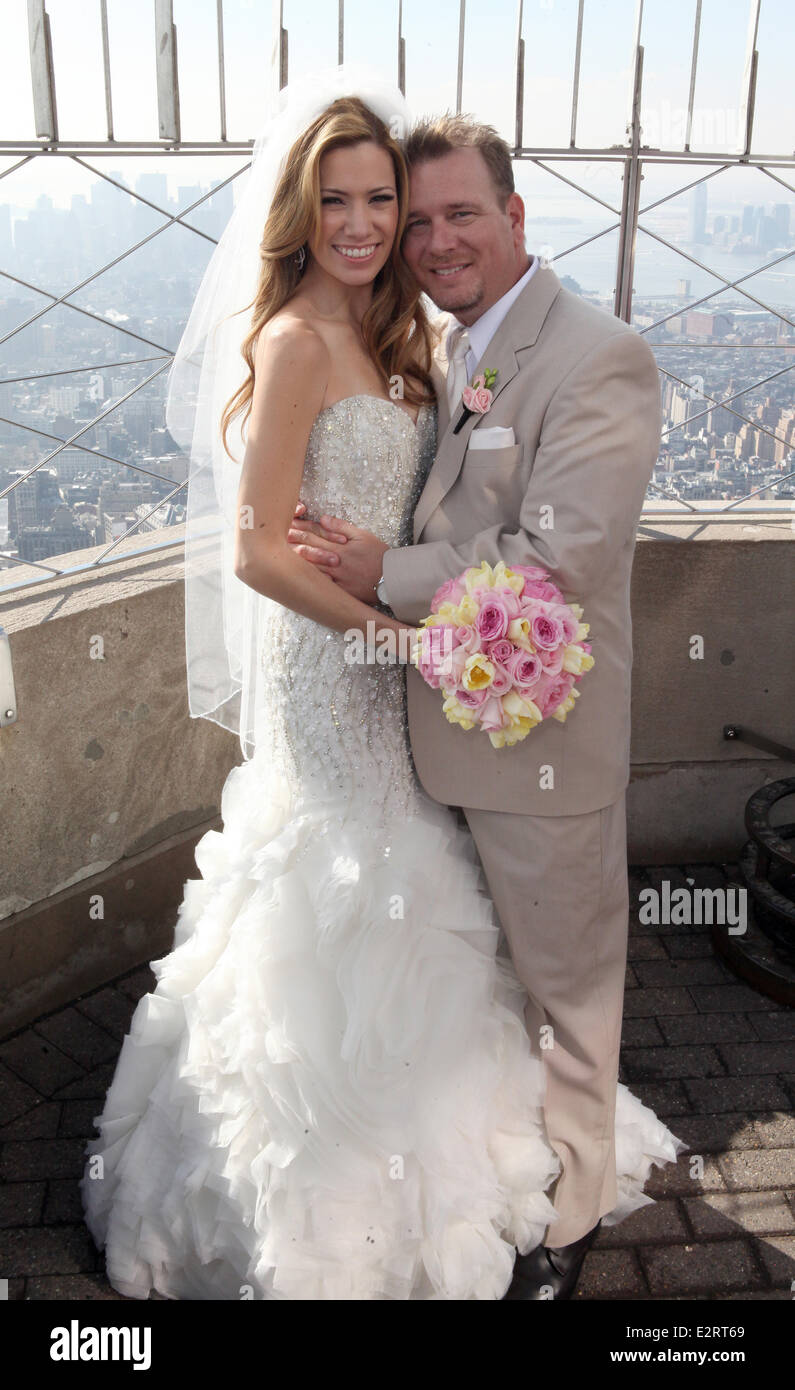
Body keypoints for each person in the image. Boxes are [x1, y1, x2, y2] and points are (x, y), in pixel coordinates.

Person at [80, 71, 684, 1303]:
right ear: (300, 210)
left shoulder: (438, 335)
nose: (383, 230)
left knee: (499, 943)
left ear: (516, 218)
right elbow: (255, 547)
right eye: (357, 205)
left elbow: (548, 551)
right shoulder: (305, 338)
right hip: (347, 667)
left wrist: (392, 609)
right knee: (341, 909)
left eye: (396, 205)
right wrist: (383, 631)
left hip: (420, 678)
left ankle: (543, 1204)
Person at [288, 110, 687, 1300]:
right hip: (437, 739)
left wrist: (383, 577)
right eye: (417, 223)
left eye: (462, 214)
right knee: (492, 987)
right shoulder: (460, 343)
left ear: (516, 216)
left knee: (567, 991)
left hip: (542, 749)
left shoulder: (599, 353)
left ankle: (565, 1228)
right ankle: (502, 1183)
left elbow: (556, 561)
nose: (435, 241)